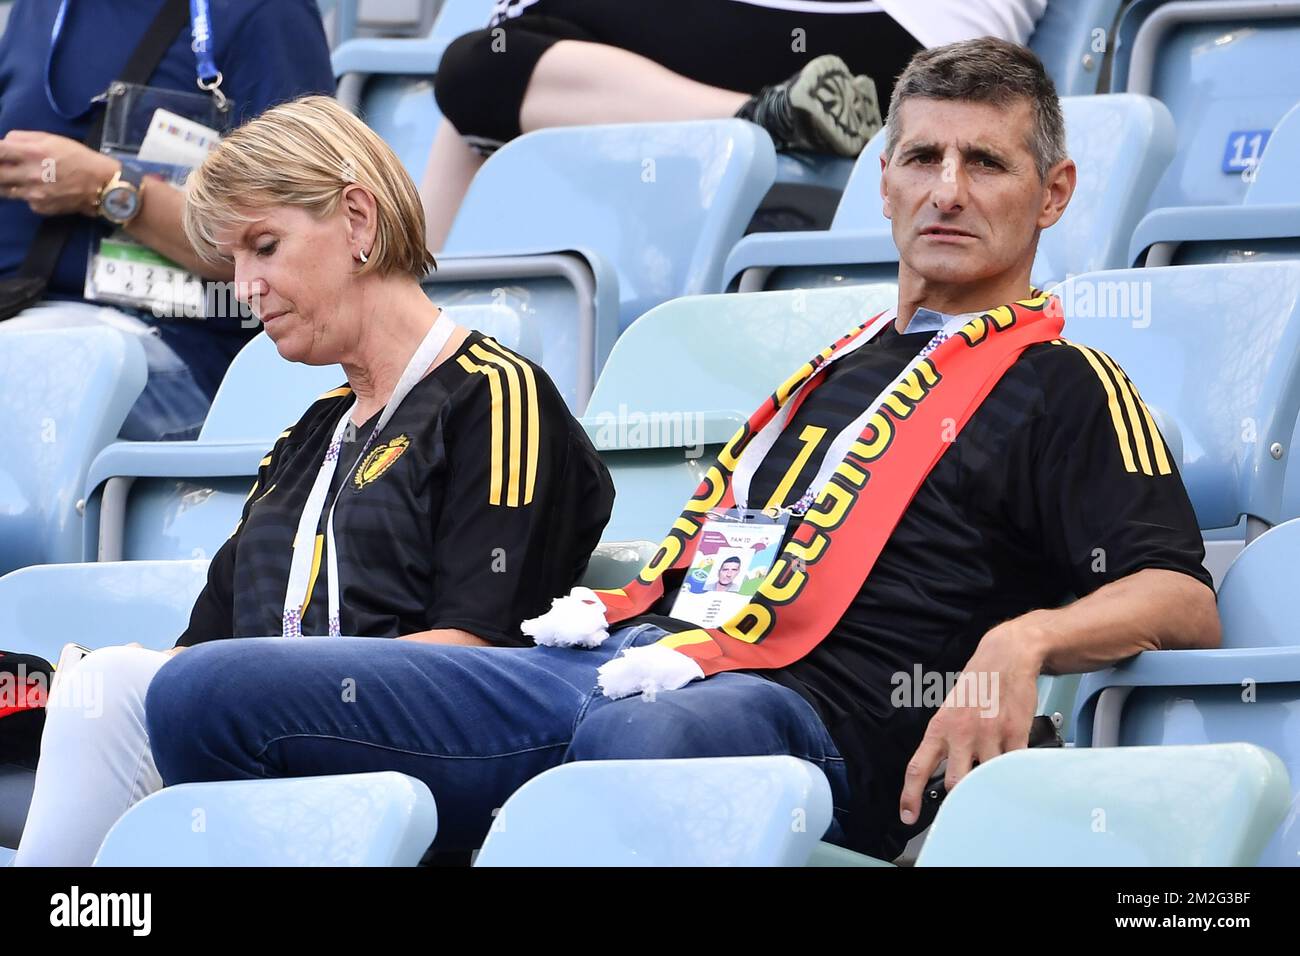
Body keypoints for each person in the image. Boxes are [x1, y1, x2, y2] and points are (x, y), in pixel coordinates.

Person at [143, 38, 1218, 861]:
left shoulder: (1064, 383)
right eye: (921, 158)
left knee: (640, 747)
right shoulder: (833, 366)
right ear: (880, 182)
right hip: (630, 664)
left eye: (984, 162)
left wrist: (1023, 640)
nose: (946, 189)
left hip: (813, 713)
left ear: (1054, 194)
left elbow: (1179, 593)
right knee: (209, 696)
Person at [10, 96, 614, 866]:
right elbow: (206, 652)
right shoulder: (309, 434)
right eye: (232, 260)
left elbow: (478, 653)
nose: (245, 285)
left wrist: (242, 688)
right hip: (265, 762)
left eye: (264, 246)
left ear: (358, 221)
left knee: (120, 687)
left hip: (427, 775)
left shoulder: (496, 393)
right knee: (106, 685)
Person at [422, 0, 1049, 249]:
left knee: (486, 62)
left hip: (903, 42)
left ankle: (410, 307)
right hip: (901, 42)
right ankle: (772, 114)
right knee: (487, 65)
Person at [0, 0, 335, 439]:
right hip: (22, 329)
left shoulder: (265, 12)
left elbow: (302, 243)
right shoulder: (37, 9)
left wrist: (109, 190)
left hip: (179, 353)